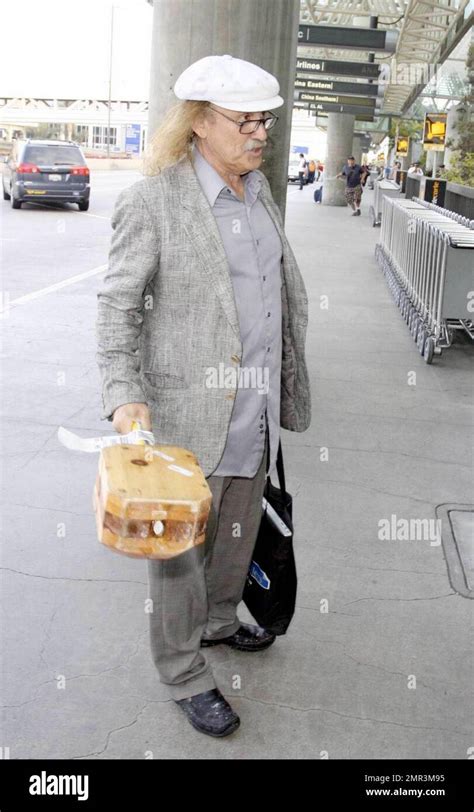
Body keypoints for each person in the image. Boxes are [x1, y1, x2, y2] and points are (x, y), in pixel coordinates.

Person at [96, 54, 311, 738]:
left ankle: (220, 622)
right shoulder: (153, 201)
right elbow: (116, 305)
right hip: (186, 413)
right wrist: (123, 393)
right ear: (198, 123)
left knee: (236, 537)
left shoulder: (259, 193)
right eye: (245, 120)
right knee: (180, 559)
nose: (259, 133)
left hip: (252, 411)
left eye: (265, 121)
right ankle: (184, 672)